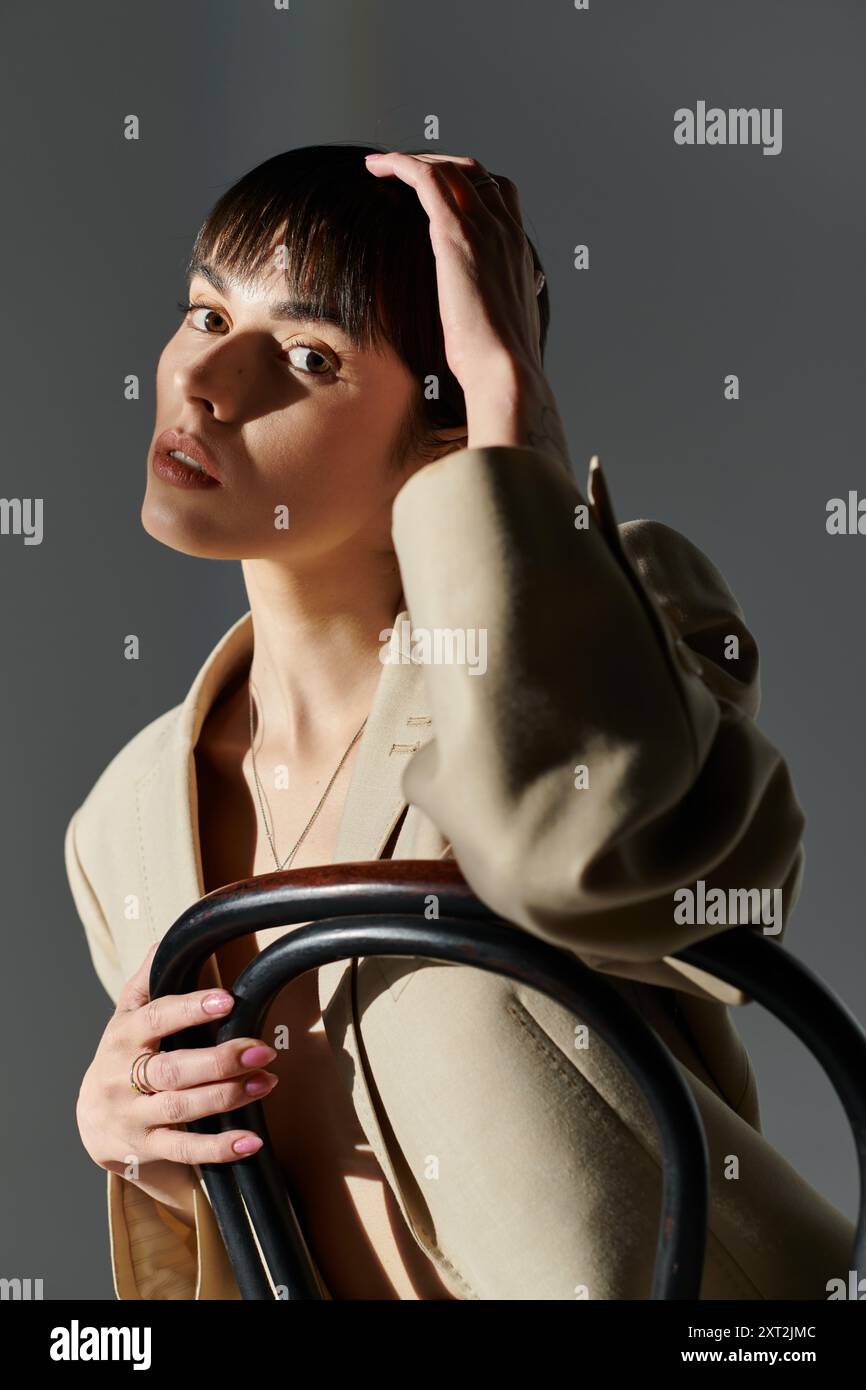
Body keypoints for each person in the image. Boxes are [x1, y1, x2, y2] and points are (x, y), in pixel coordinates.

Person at [66, 144, 854, 1300]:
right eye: (203, 311)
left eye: (305, 354)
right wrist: (144, 1146)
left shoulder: (613, 626)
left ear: (440, 431)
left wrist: (512, 427)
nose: (205, 379)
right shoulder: (124, 822)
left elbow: (587, 862)